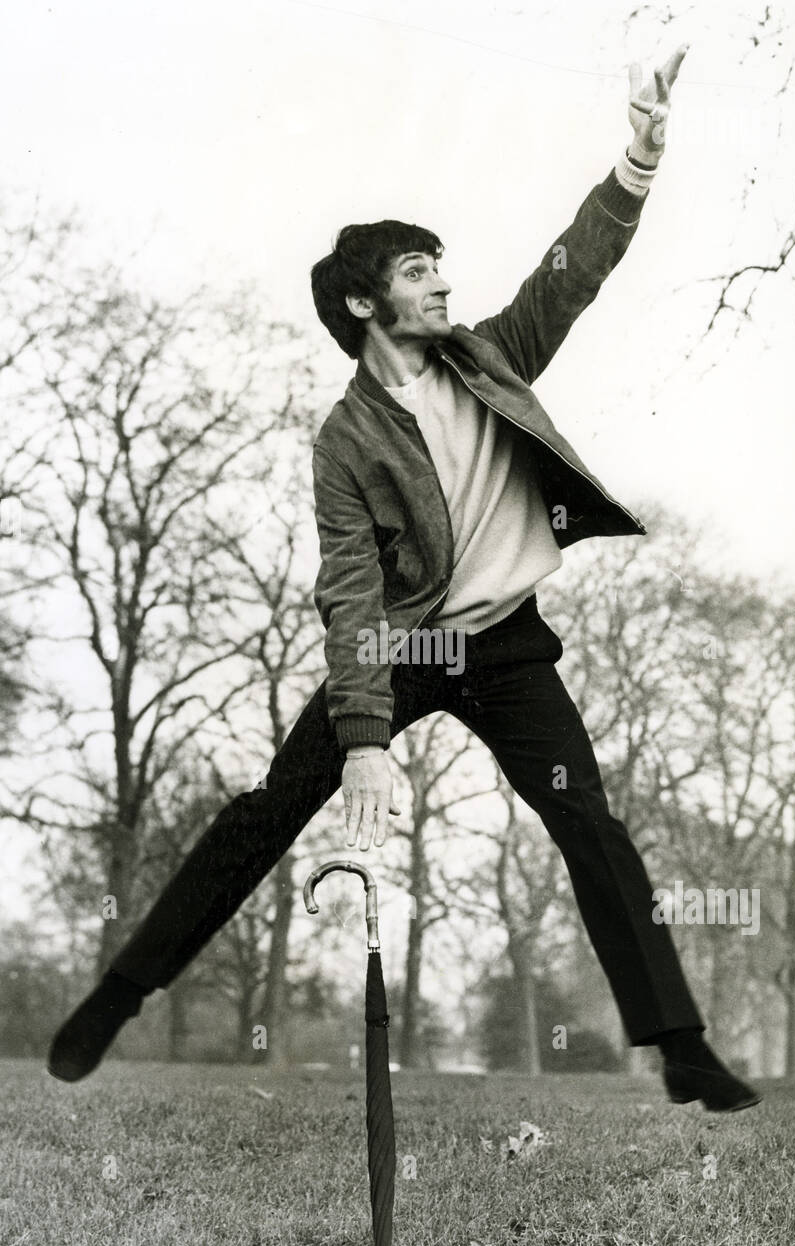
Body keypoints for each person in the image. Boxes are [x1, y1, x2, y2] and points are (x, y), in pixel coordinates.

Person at [48, 44, 759, 1111]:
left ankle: (682, 1044)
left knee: (587, 818)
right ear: (366, 305)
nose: (441, 280)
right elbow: (348, 596)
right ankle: (121, 989)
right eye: (418, 271)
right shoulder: (345, 442)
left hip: (508, 643)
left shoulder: (489, 356)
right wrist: (366, 743)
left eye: (439, 265)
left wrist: (638, 162)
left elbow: (571, 273)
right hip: (408, 644)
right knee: (270, 805)